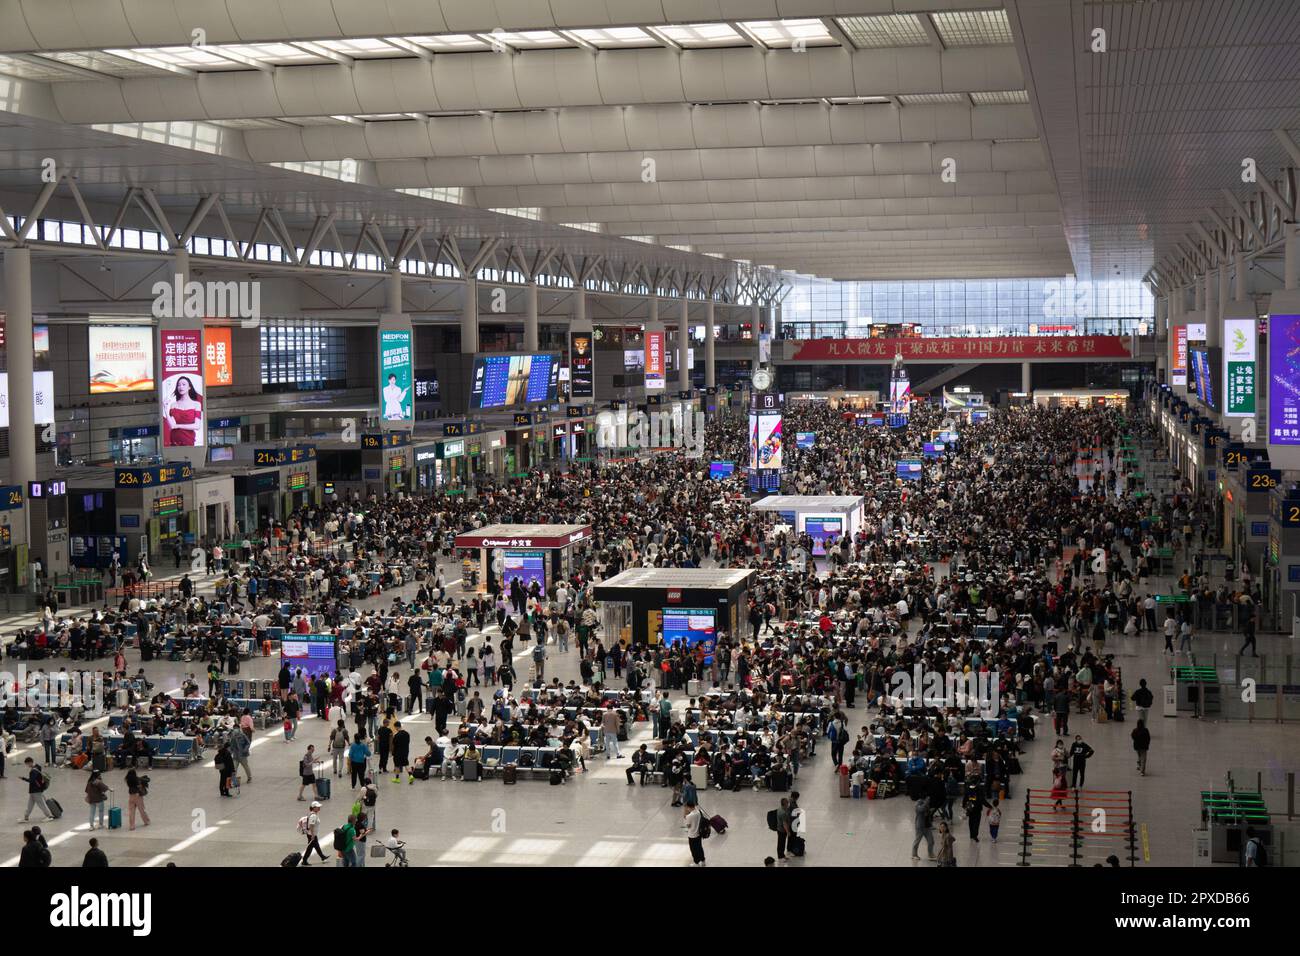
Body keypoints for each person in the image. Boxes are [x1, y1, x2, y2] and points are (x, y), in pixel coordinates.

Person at [163, 375, 203, 446]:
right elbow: (171, 426)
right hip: (174, 440)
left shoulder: (196, 404)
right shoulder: (173, 405)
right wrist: (166, 409)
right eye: (179, 385)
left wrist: (178, 426)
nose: (181, 387)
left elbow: (197, 426)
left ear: (189, 387)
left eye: (184, 384)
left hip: (188, 440)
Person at [299, 800, 327, 866]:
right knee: (310, 848)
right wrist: (313, 835)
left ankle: (322, 857)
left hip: (311, 834)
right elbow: (311, 825)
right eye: (317, 807)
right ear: (314, 807)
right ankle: (304, 861)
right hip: (312, 834)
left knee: (315, 846)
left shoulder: (311, 813)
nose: (319, 808)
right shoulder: (313, 815)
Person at [683, 800, 707, 866]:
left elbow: (688, 826)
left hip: (692, 835)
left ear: (688, 807)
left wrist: (685, 813)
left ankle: (696, 862)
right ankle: (703, 860)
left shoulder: (689, 816)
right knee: (699, 847)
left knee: (693, 849)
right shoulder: (700, 812)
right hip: (699, 833)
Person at [911, 795, 935, 860]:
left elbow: (926, 813)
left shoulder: (926, 803)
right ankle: (914, 854)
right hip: (920, 826)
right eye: (928, 798)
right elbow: (920, 810)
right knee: (917, 841)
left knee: (931, 841)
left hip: (927, 826)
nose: (929, 800)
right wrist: (926, 803)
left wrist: (930, 811)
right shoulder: (918, 803)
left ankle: (930, 854)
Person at [775, 797, 793, 863]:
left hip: (782, 829)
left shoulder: (782, 808)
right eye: (787, 803)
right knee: (781, 844)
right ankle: (780, 857)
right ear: (784, 804)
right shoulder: (782, 812)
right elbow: (784, 823)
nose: (788, 803)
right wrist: (788, 832)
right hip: (782, 830)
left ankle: (782, 855)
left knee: (782, 843)